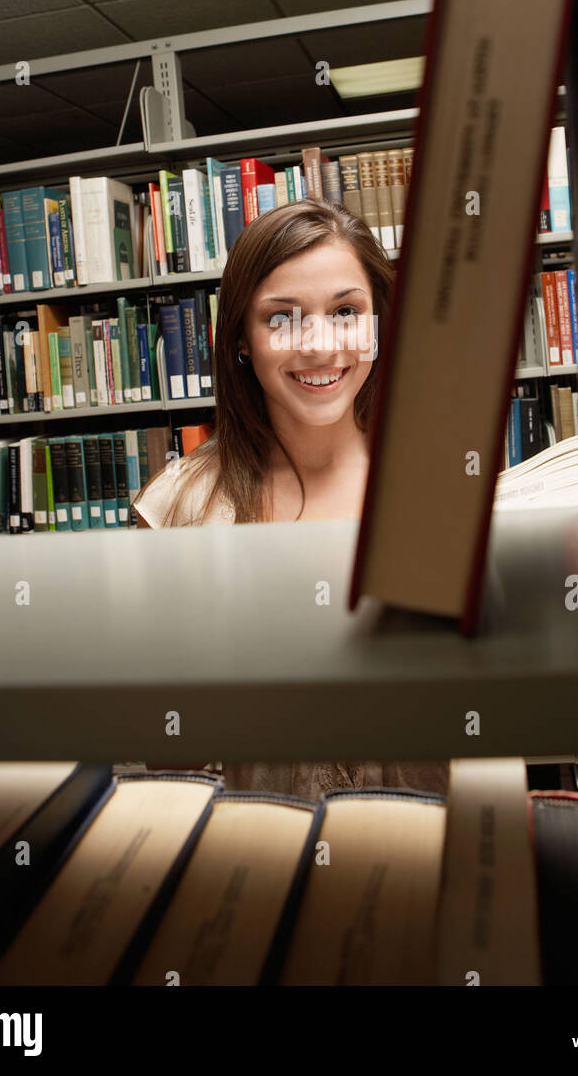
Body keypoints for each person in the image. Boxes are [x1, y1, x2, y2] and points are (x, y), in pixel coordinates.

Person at [133, 197, 448, 800]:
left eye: (347, 311)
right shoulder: (177, 510)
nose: (320, 345)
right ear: (242, 340)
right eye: (282, 317)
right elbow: (167, 747)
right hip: (256, 859)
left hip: (427, 846)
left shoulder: (442, 484)